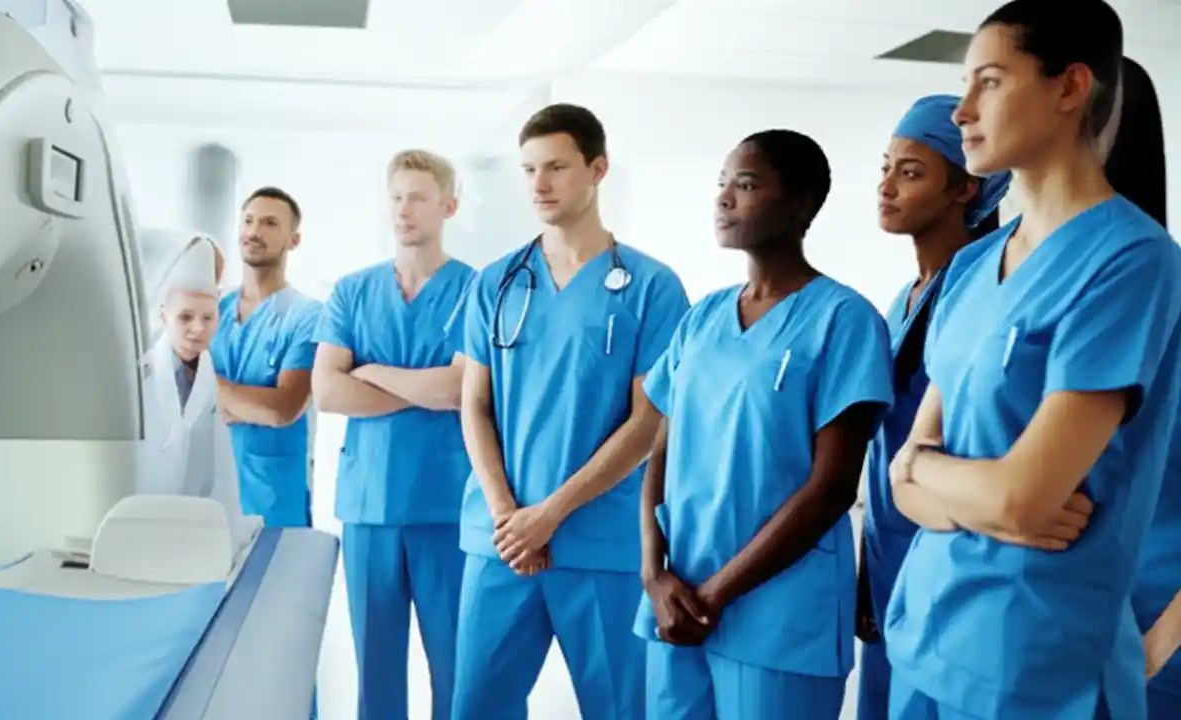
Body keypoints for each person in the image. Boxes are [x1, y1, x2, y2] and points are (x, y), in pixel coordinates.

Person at [882, 2, 1181, 718]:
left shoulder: (1131, 261)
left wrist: (932, 471)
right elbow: (903, 483)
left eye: (989, 81)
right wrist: (934, 475)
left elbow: (1025, 499)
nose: (961, 111)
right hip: (926, 637)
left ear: (1069, 87)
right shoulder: (973, 266)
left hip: (1035, 667)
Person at [635, 129, 892, 719]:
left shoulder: (842, 320)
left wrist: (716, 595)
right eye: (722, 183)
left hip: (777, 615)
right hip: (677, 603)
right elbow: (660, 454)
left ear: (800, 205)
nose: (724, 198)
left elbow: (831, 489)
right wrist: (654, 575)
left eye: (746, 185)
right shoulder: (702, 318)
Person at [452, 103, 690, 719]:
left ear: (598, 169)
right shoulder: (496, 281)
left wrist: (550, 514)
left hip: (598, 543)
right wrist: (509, 516)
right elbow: (474, 405)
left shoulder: (650, 286)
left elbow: (647, 422)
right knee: (475, 706)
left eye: (556, 166)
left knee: (619, 708)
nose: (539, 183)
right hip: (500, 543)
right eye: (529, 169)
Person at [855, 95, 1010, 720]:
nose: (886, 187)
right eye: (885, 167)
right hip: (893, 554)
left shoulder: (982, 285)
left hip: (953, 560)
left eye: (911, 172)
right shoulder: (905, 299)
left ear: (966, 189)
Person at [312, 149, 475, 720]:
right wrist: (420, 386)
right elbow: (328, 393)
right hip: (368, 508)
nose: (404, 210)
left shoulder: (474, 290)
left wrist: (372, 370)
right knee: (375, 674)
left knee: (457, 671)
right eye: (396, 197)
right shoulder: (351, 292)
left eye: (419, 197)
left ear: (449, 206)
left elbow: (457, 391)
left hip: (446, 509)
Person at [1106, 57, 1181, 720]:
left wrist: (1159, 645)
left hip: (1157, 623)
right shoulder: (1013, 285)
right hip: (1052, 623)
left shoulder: (1167, 286)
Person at [138, 235, 257, 551]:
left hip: (185, 523)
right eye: (185, 317)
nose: (197, 329)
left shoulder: (207, 376)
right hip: (133, 516)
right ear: (164, 315)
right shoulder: (138, 373)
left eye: (208, 318)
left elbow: (220, 465)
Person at [211, 187, 322, 529]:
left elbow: (282, 408)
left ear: (294, 240)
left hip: (275, 500)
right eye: (248, 221)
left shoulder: (307, 315)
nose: (254, 232)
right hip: (207, 497)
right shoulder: (212, 309)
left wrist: (208, 389)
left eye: (270, 223)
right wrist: (240, 401)